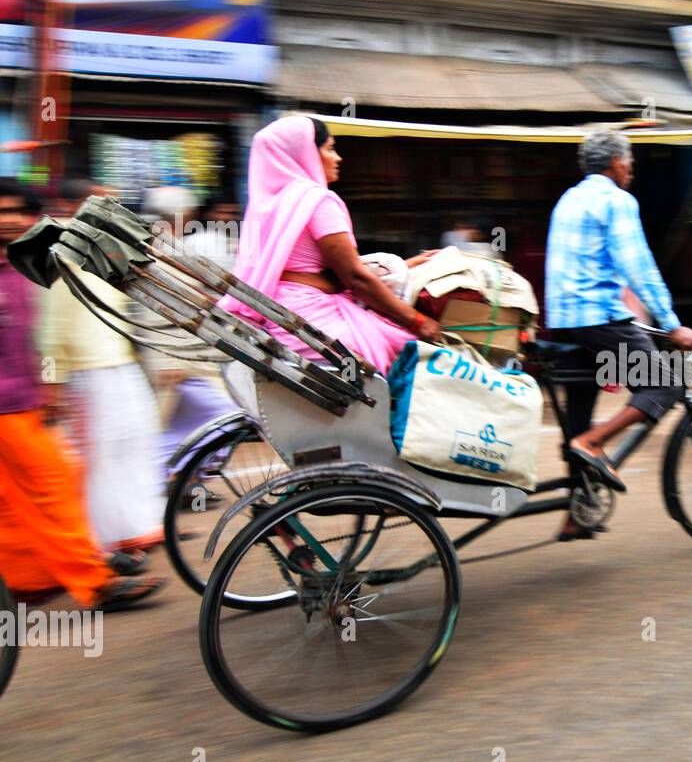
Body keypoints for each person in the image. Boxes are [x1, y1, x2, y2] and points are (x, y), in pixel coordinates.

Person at [0, 178, 164, 610]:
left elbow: (38, 333)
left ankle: (29, 577)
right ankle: (94, 582)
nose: (9, 220)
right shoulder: (32, 264)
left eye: (16, 210)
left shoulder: (26, 264)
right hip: (12, 403)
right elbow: (50, 332)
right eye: (0, 212)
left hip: (22, 398)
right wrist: (53, 383)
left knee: (20, 498)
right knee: (53, 485)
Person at [544, 130, 692, 537]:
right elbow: (638, 265)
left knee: (579, 409)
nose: (631, 169)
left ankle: (578, 511)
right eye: (628, 162)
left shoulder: (569, 198)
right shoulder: (617, 201)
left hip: (565, 322)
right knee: (668, 382)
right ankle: (594, 444)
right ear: (615, 162)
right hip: (599, 318)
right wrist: (671, 324)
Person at [220, 116, 440, 372]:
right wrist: (419, 320)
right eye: (329, 148)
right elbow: (355, 278)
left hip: (277, 318)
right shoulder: (319, 201)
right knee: (409, 350)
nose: (338, 158)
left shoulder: (264, 207)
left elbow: (315, 273)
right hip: (312, 323)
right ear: (306, 153)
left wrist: (404, 265)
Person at [40, 178, 166, 552]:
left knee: (136, 442)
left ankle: (138, 527)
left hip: (118, 363)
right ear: (76, 206)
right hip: (85, 372)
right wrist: (53, 380)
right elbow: (50, 326)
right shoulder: (61, 252)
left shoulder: (101, 249)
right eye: (104, 204)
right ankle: (105, 539)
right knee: (101, 456)